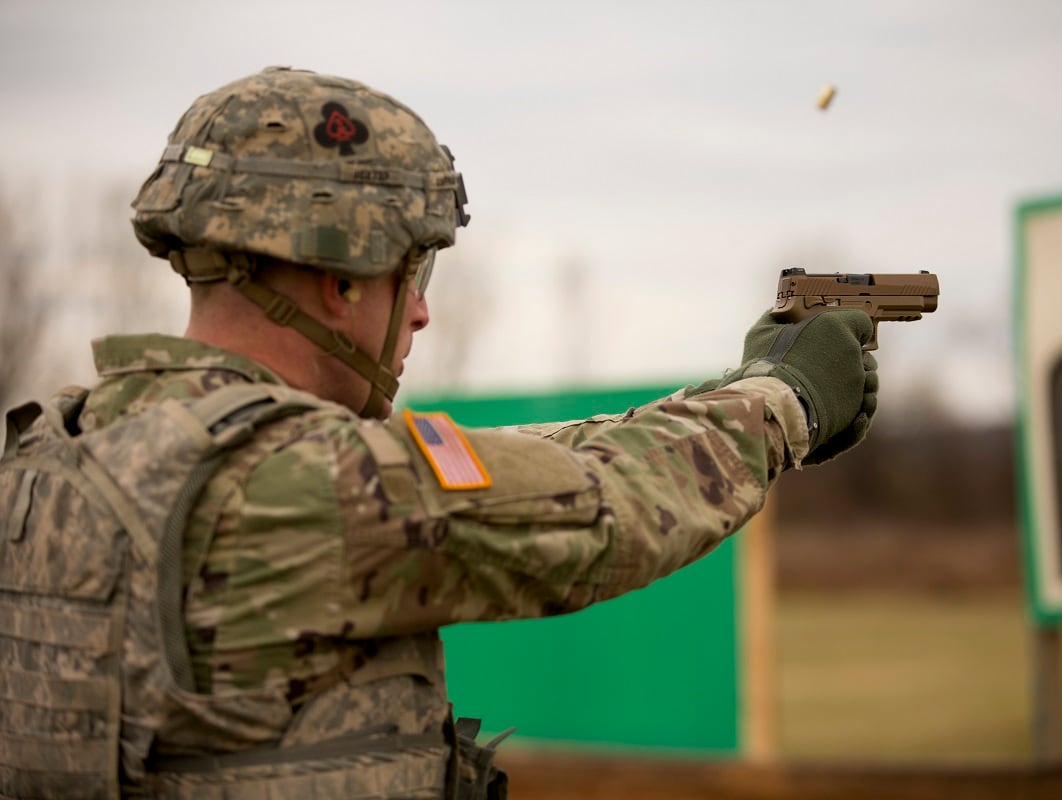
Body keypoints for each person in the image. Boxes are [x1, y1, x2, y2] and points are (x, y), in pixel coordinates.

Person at [0, 67, 877, 799]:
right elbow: (606, 511)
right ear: (341, 282)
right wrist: (787, 400)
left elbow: (494, 470)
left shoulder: (57, 456)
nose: (419, 311)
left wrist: (720, 393)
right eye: (407, 273)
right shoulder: (301, 482)